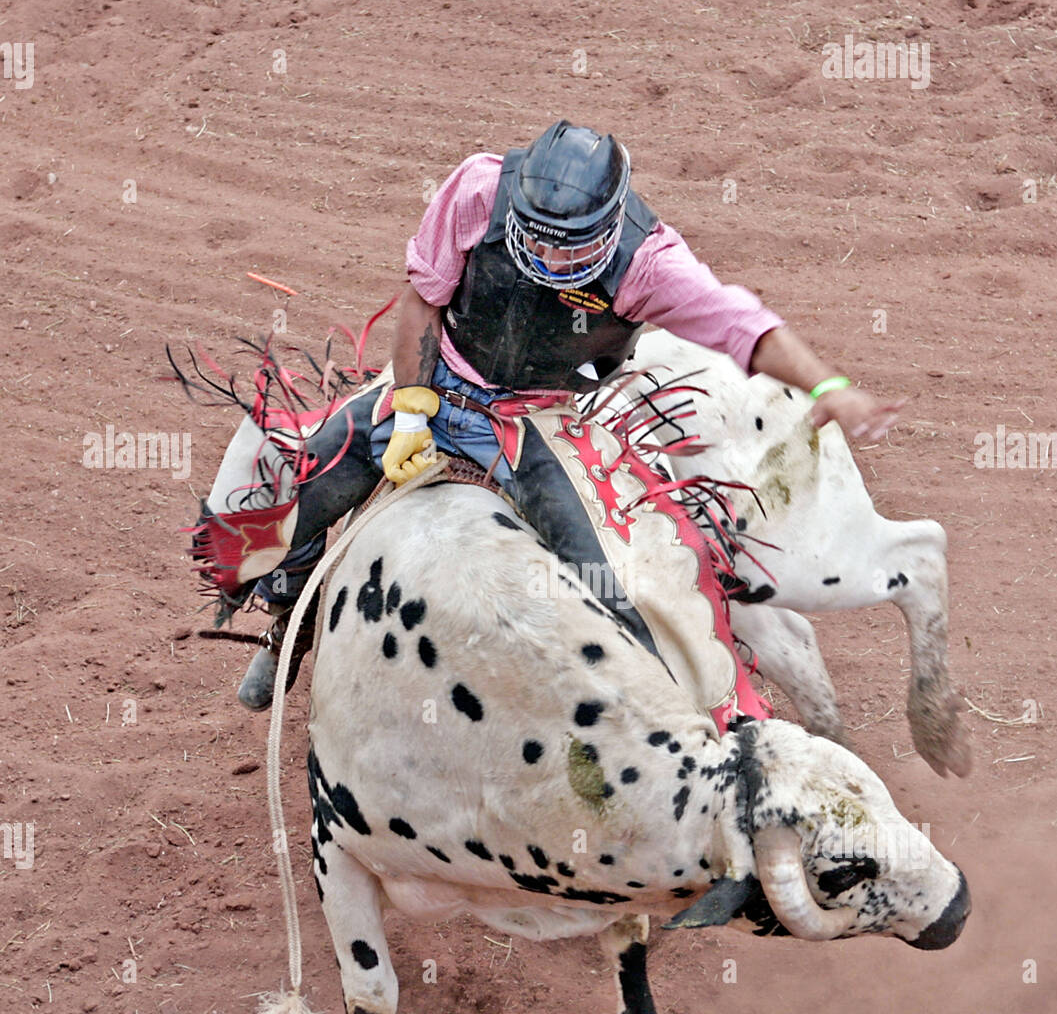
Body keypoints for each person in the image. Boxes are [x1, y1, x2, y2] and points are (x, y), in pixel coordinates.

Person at [194, 119, 904, 720]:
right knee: (286, 501)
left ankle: (710, 728)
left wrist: (829, 385)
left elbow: (745, 328)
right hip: (436, 382)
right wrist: (410, 409)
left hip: (542, 419)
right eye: (540, 238)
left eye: (570, 244)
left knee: (611, 591)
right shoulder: (475, 186)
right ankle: (286, 620)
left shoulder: (651, 264)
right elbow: (422, 298)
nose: (552, 255)